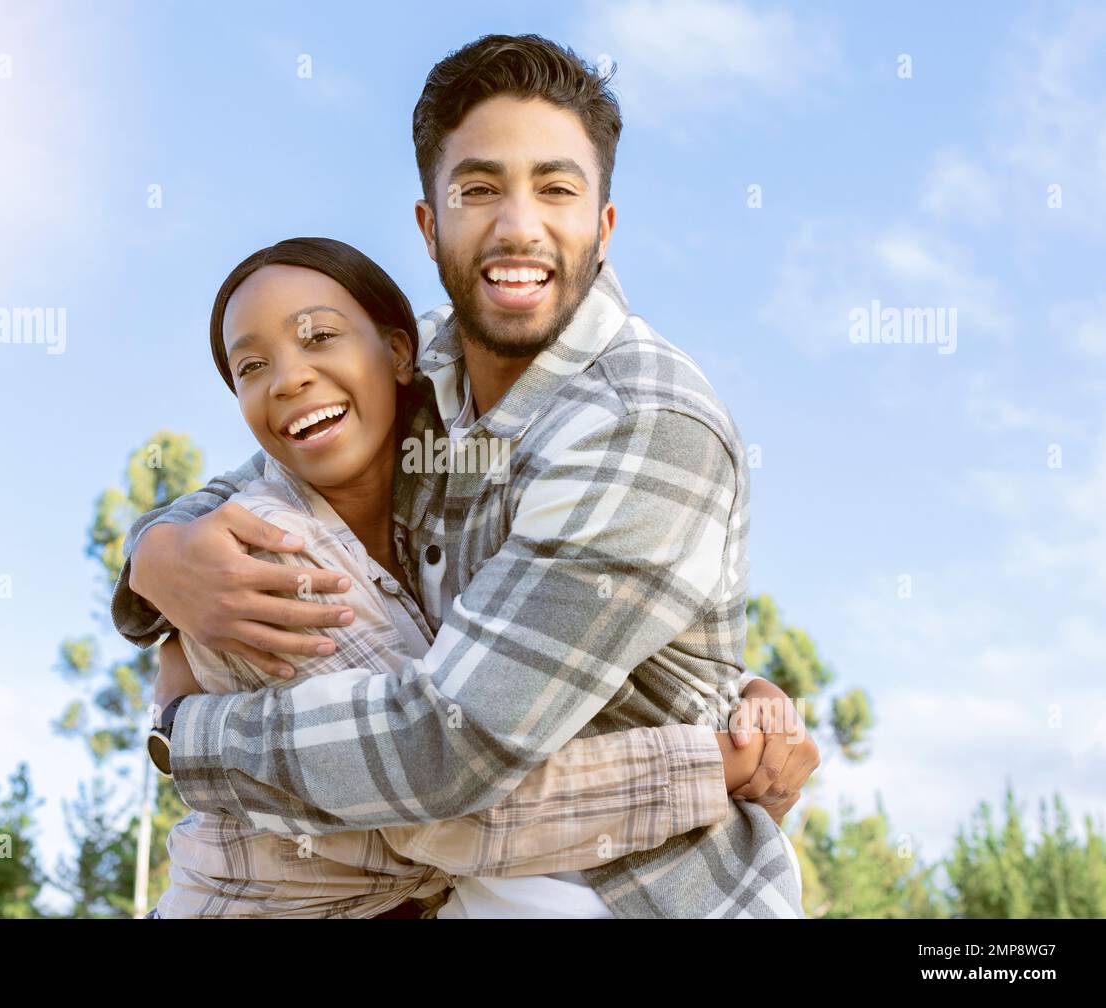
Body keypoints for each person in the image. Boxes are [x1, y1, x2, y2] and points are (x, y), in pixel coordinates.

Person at [122, 35, 818, 918]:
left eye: (556, 189)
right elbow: (278, 465)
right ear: (430, 225)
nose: (518, 225)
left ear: (603, 227)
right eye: (480, 189)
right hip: (447, 889)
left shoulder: (643, 424)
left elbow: (449, 751)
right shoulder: (426, 371)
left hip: (624, 892)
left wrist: (188, 741)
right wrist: (157, 553)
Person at [150, 237, 771, 918]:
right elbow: (444, 810)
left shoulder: (451, 486)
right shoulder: (267, 559)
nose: (288, 379)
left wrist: (732, 694)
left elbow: (538, 646)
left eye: (320, 337)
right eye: (251, 367)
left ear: (397, 352)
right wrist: (717, 764)